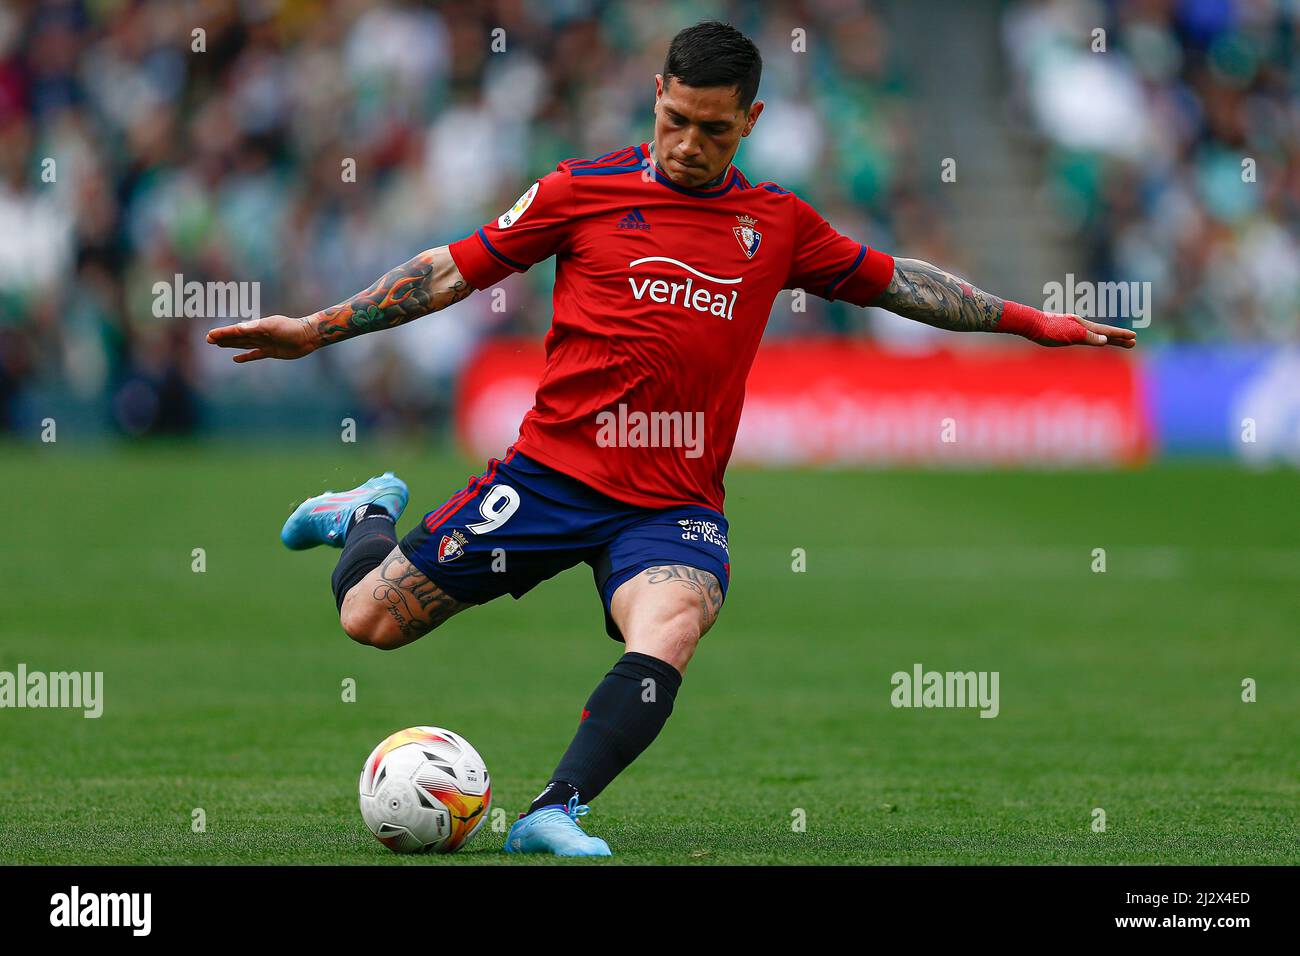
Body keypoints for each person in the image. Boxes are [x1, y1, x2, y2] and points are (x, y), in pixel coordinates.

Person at [206, 20, 1136, 857]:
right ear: (656, 96)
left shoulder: (776, 224)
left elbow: (898, 282)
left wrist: (1030, 321)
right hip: (548, 479)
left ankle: (553, 810)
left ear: (753, 121)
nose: (689, 145)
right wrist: (318, 328)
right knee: (367, 620)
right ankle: (366, 513)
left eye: (715, 129)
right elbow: (453, 269)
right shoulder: (580, 190)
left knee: (673, 625)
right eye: (677, 120)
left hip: (672, 505)